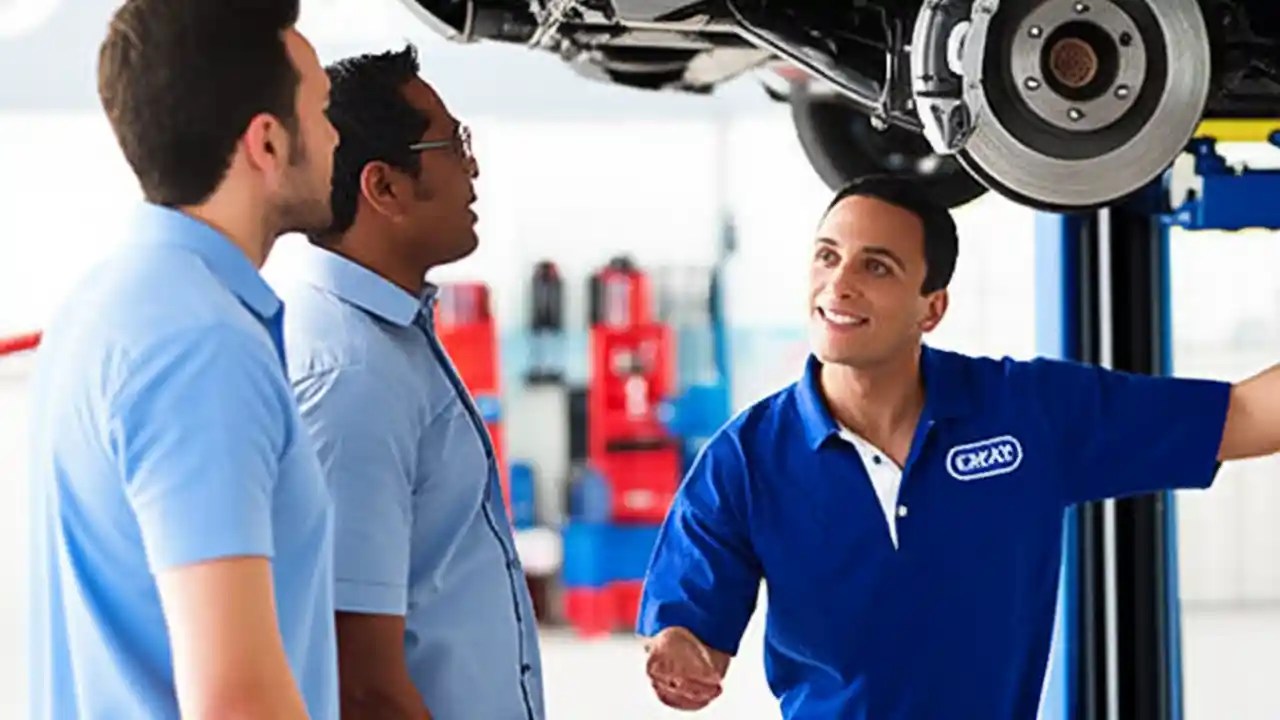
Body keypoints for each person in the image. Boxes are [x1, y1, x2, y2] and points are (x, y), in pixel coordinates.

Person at [636, 175, 1280, 719]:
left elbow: (1245, 416)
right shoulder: (745, 459)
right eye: (827, 256)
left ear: (931, 307)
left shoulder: (1024, 413)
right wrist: (680, 655)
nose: (840, 284)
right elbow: (693, 640)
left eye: (876, 266)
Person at [27, 1, 340, 718]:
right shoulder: (202, 347)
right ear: (266, 142)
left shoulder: (108, 302)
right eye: (324, 111)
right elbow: (237, 700)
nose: (337, 135)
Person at [264, 45, 545, 720]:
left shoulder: (389, 337)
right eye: (454, 144)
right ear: (383, 187)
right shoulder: (352, 373)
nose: (473, 168)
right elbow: (360, 679)